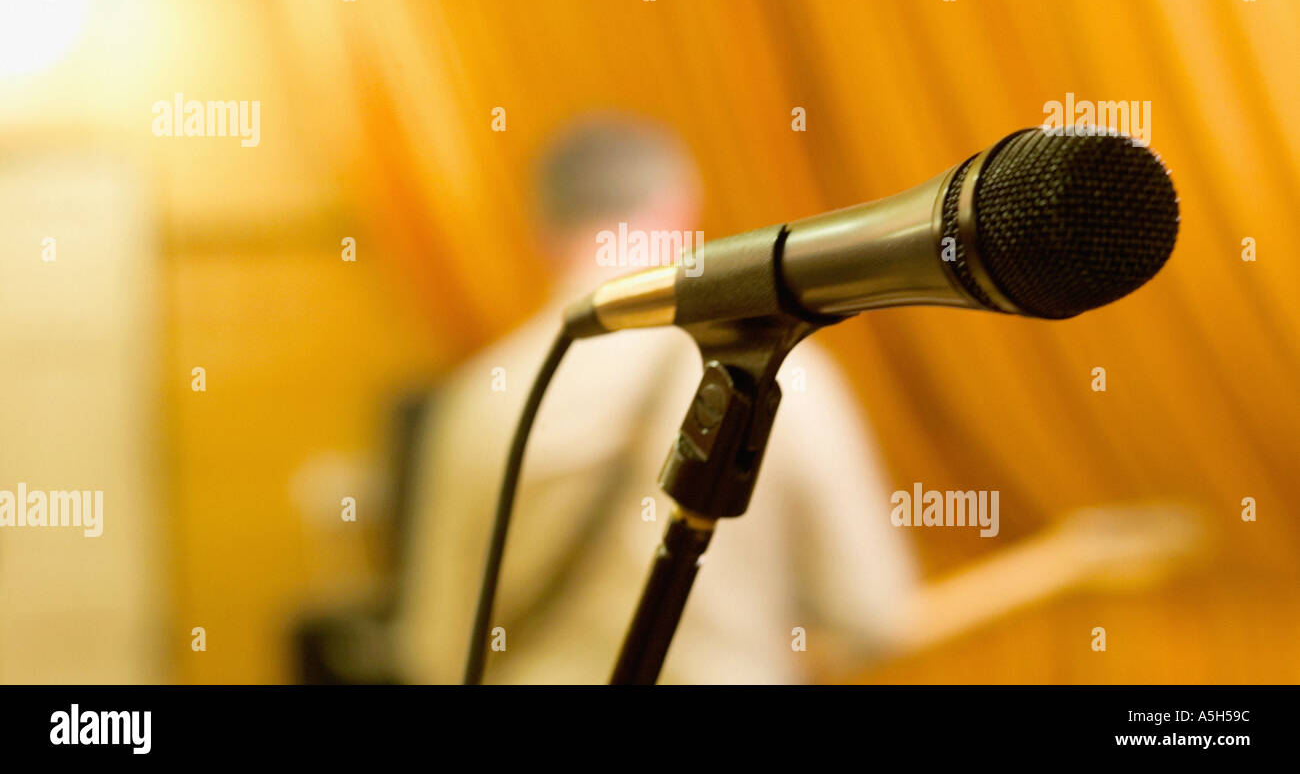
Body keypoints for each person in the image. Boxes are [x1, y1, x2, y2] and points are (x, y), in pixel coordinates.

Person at [392, 113, 1201, 684]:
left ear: (541, 232)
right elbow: (873, 622)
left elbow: (436, 651)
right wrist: (1067, 559)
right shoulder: (791, 379)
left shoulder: (476, 400)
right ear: (681, 208)